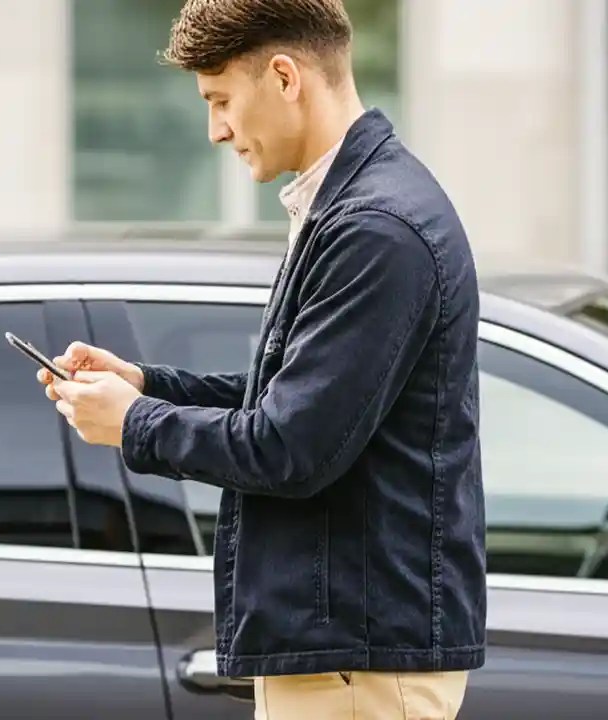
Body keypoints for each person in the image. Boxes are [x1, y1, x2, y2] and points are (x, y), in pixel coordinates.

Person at [39, 1, 484, 716]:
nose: (216, 130)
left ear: (283, 77)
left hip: (359, 662)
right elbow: (297, 399)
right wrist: (146, 384)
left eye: (220, 101)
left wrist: (137, 424)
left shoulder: (376, 228)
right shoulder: (353, 207)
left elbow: (292, 446)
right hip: (348, 653)